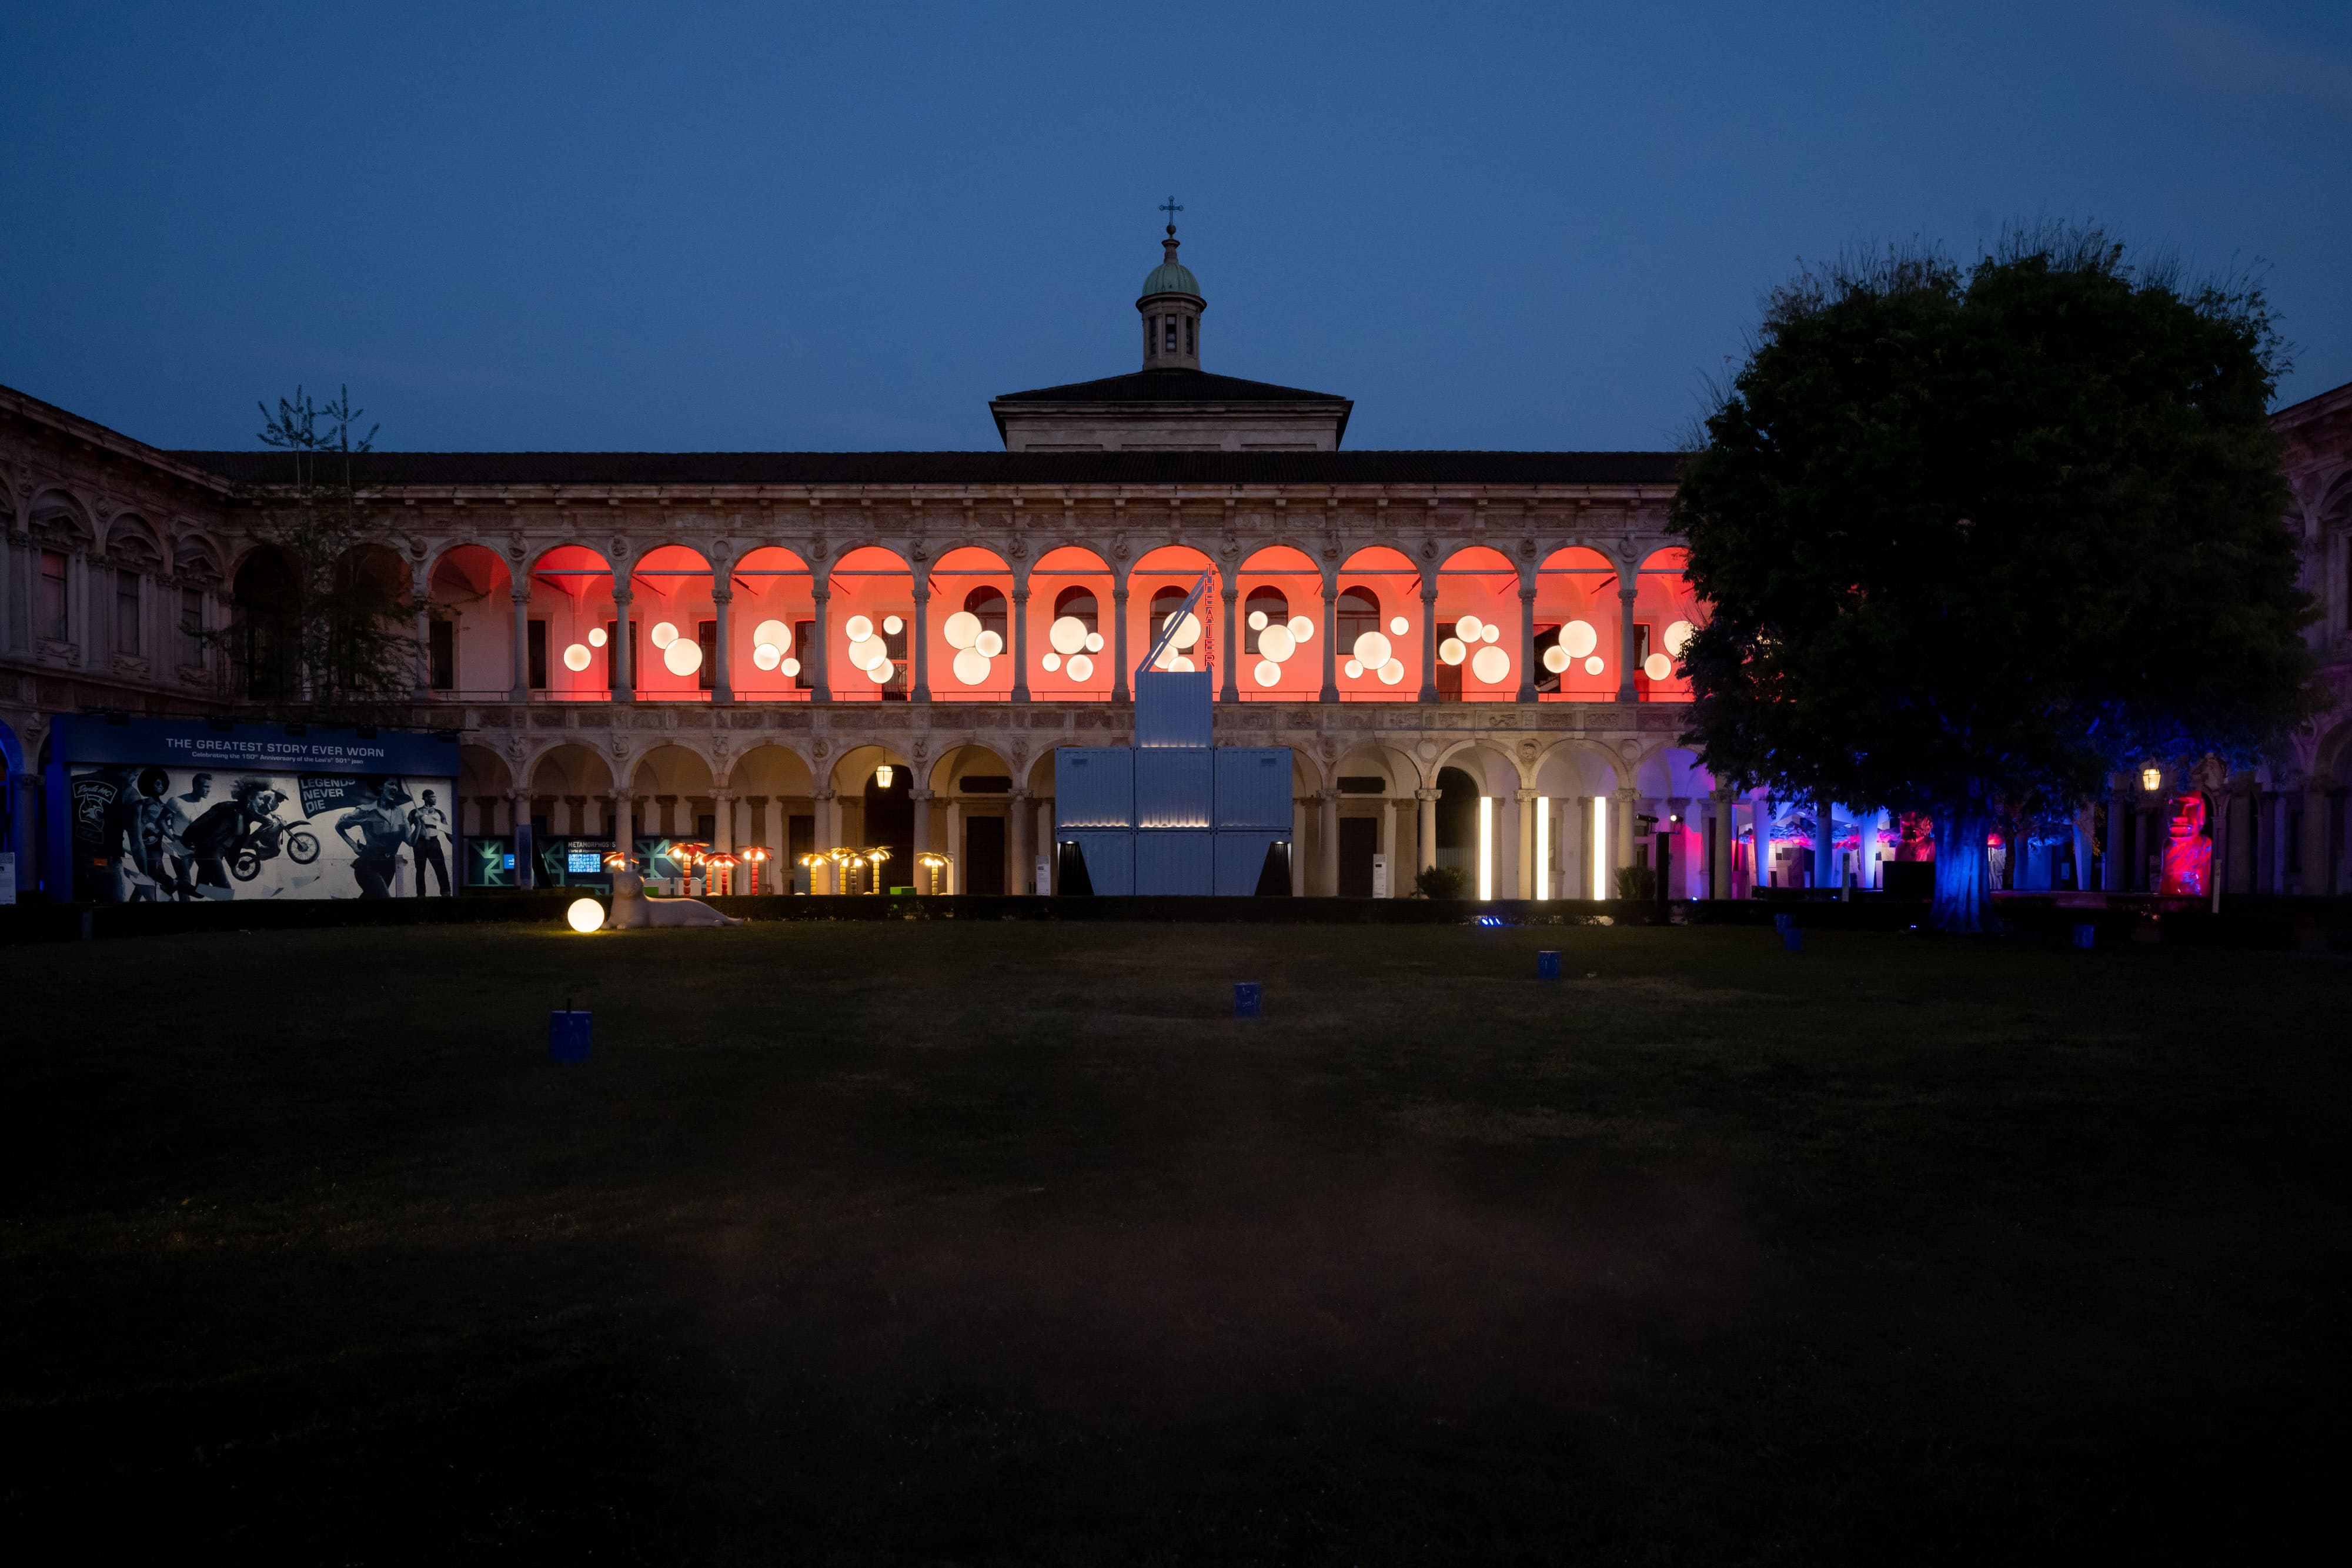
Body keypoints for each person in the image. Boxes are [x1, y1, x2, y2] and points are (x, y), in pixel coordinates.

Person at [335, 779, 411, 898]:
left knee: (372, 899)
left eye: (397, 786)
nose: (395, 788)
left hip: (389, 865)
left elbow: (411, 842)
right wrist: (354, 846)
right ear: (381, 786)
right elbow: (339, 826)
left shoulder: (400, 813)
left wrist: (421, 824)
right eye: (391, 784)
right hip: (368, 864)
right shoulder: (366, 810)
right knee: (385, 899)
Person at [159, 773, 213, 901]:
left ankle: (167, 889)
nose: (209, 790)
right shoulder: (177, 801)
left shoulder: (208, 805)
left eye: (210, 787)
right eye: (206, 787)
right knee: (185, 879)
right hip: (178, 845)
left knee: (182, 880)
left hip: (195, 847)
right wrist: (173, 839)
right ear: (195, 785)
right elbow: (160, 822)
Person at [407, 788, 450, 897]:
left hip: (434, 843)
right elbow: (406, 831)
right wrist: (418, 825)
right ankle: (421, 895)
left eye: (435, 797)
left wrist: (454, 842)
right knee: (420, 870)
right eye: (432, 797)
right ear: (426, 798)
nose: (435, 799)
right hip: (420, 843)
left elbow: (447, 831)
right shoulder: (415, 813)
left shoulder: (440, 813)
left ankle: (446, 893)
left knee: (441, 869)